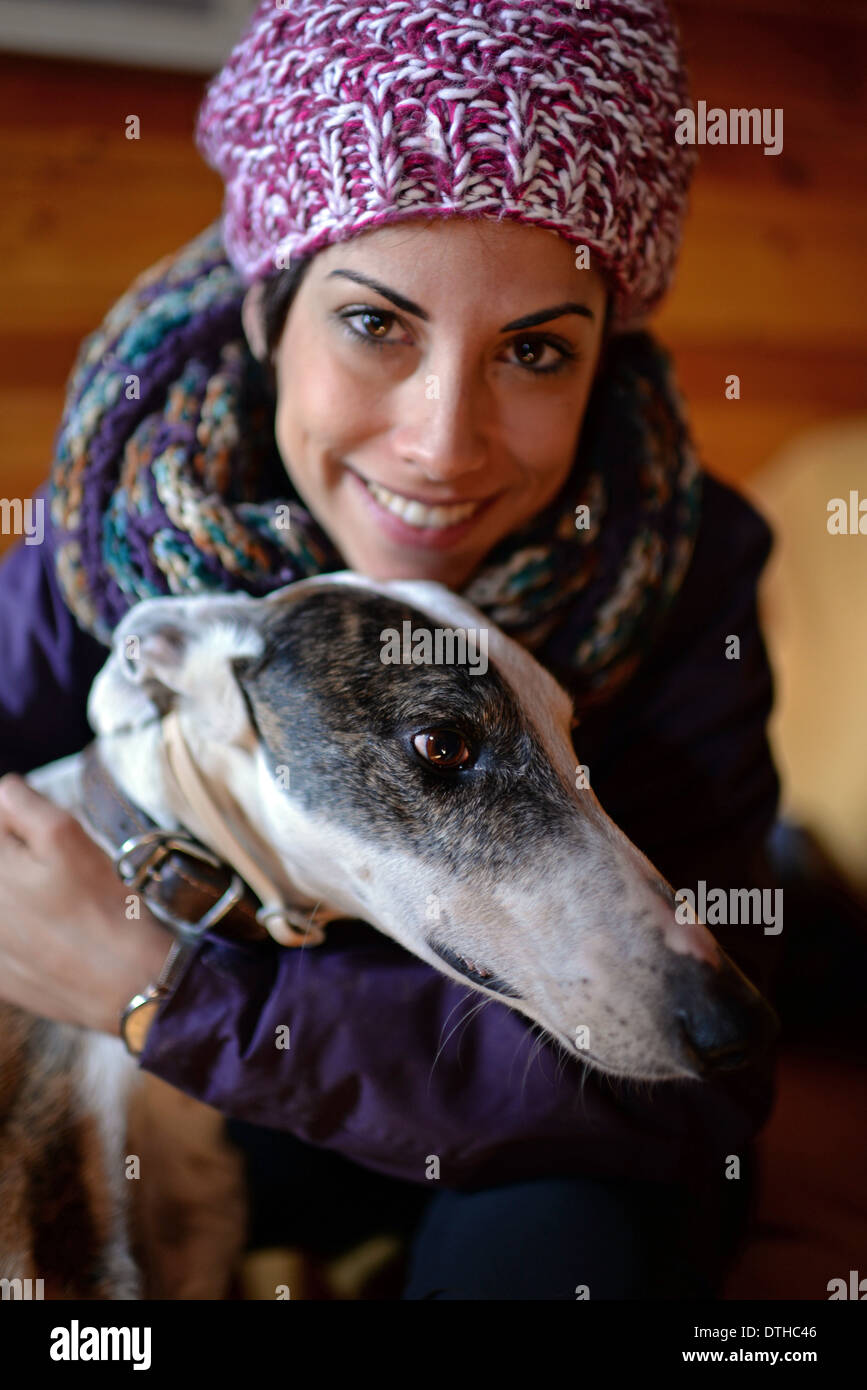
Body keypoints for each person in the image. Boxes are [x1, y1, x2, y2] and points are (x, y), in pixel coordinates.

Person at [0, 0, 783, 1299]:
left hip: (487, 1104)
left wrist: (181, 998)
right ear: (268, 313)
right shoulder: (115, 533)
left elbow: (698, 1094)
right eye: (377, 323)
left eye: (534, 350)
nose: (442, 445)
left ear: (606, 352)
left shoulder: (684, 567)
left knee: (570, 1235)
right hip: (220, 1102)